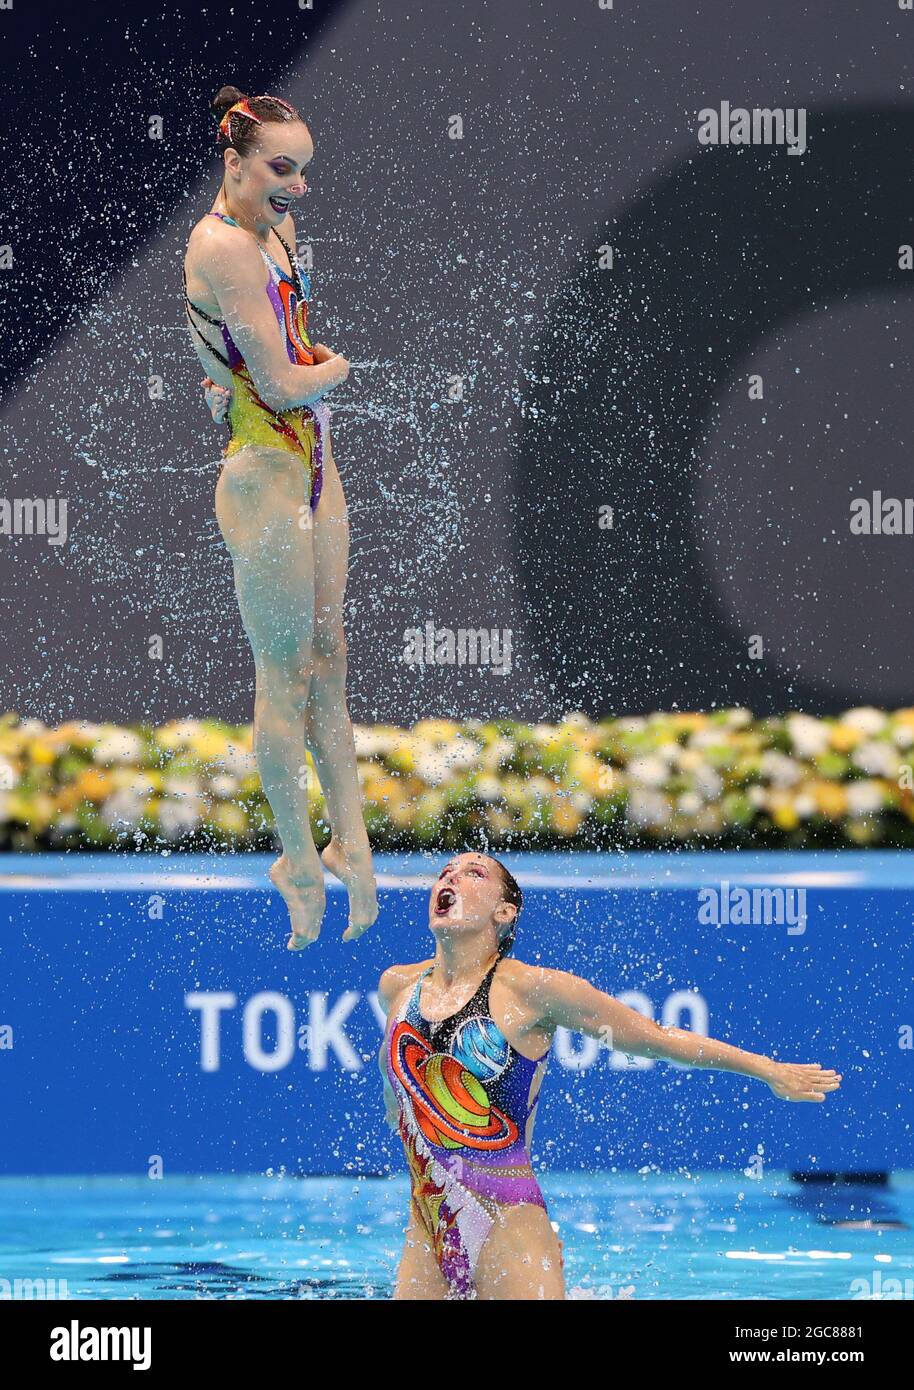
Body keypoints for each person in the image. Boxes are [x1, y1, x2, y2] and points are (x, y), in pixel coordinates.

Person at [377, 852, 842, 1300]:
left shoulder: (531, 990)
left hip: (508, 1227)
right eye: (445, 871)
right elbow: (400, 1099)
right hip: (428, 1228)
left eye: (473, 873)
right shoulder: (397, 987)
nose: (451, 879)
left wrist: (767, 1070)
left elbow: (656, 1038)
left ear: (504, 911)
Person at [183, 86, 377, 949]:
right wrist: (339, 365)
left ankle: (353, 842)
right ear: (234, 162)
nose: (296, 187)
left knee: (330, 656)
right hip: (262, 472)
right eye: (280, 168)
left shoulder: (278, 231)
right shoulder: (221, 246)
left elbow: (258, 351)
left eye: (304, 171)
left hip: (313, 459)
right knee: (284, 671)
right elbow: (282, 381)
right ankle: (296, 859)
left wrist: (245, 371)